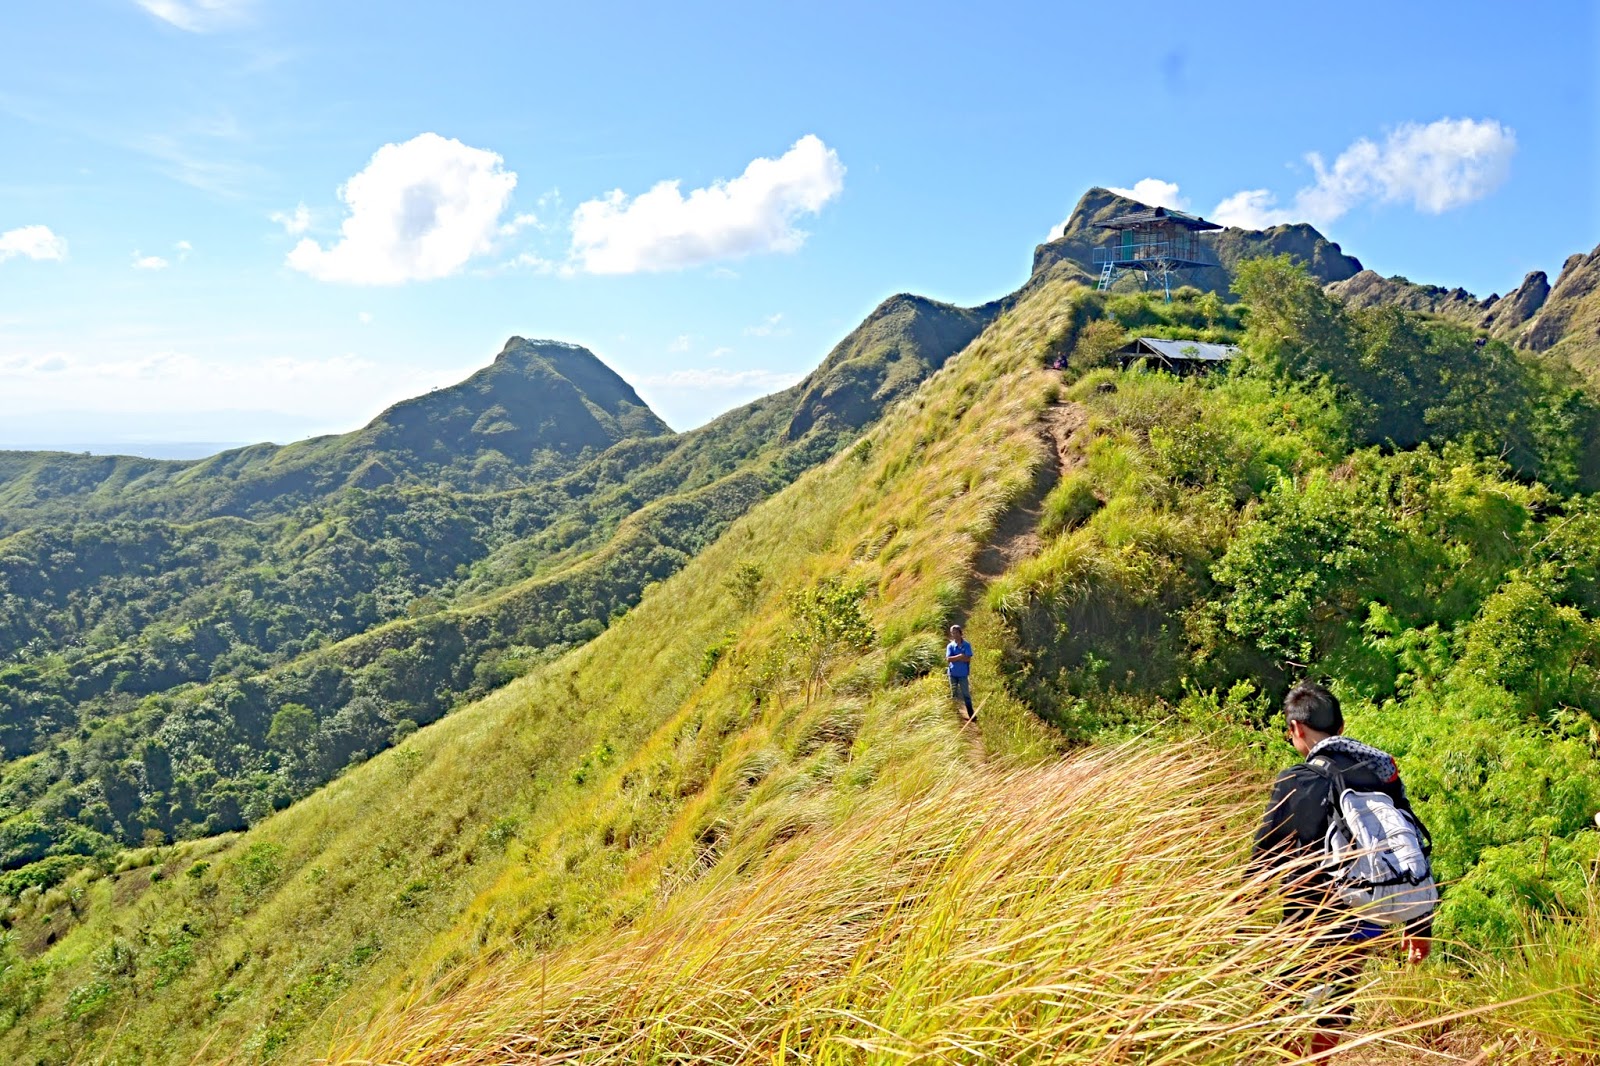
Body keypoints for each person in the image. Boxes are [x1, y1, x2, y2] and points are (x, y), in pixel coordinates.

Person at [1251, 681, 1433, 1057]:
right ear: (1341, 726)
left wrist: (1240, 915)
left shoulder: (1298, 779)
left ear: (1296, 729)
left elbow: (1265, 855)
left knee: (1278, 1008)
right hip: (1365, 915)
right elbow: (1405, 840)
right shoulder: (1382, 771)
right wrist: (1419, 923)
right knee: (1336, 1005)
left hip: (1310, 920)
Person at [945, 624, 975, 721]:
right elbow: (949, 659)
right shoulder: (950, 646)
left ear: (960, 633)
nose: (954, 635)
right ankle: (955, 715)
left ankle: (971, 714)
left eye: (956, 632)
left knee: (966, 694)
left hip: (963, 674)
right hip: (952, 673)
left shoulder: (966, 645)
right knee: (954, 694)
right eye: (953, 633)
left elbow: (967, 658)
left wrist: (957, 658)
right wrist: (960, 656)